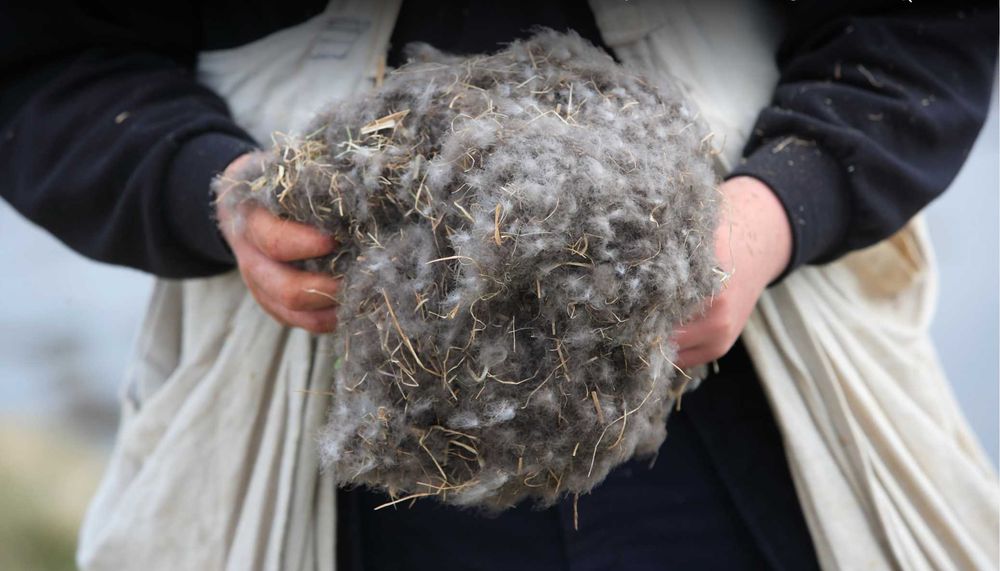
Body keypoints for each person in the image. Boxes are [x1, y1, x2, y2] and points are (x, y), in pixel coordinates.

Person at [1, 1, 996, 569]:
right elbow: (44, 61)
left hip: (737, 372)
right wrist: (206, 189)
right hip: (325, 402)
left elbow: (921, 26)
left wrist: (780, 206)